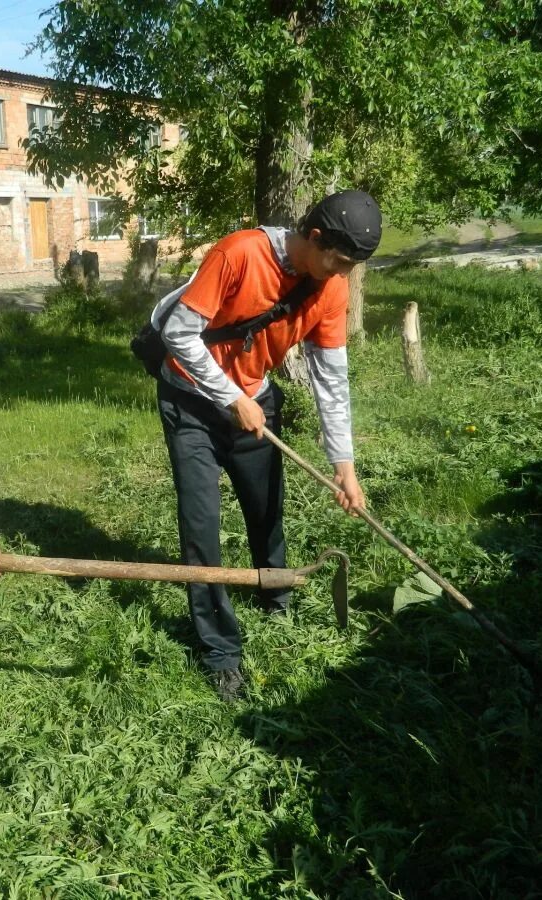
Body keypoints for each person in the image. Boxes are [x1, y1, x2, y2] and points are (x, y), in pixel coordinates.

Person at [154, 190, 381, 701]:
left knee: (265, 511)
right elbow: (179, 332)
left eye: (352, 268)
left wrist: (343, 465)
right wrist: (231, 397)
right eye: (339, 262)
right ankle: (220, 652)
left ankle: (276, 597)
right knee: (200, 528)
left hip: (255, 403)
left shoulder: (331, 289)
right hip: (191, 403)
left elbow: (331, 379)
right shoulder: (239, 254)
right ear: (315, 237)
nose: (342, 275)